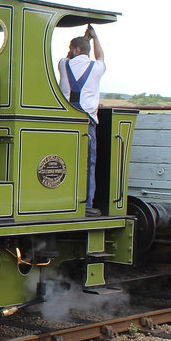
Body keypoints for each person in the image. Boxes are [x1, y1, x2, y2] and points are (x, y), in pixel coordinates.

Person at [58, 24, 105, 216]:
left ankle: (61, 199)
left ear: (75, 50)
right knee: (88, 164)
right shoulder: (97, 68)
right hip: (87, 122)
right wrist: (94, 38)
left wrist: (83, 41)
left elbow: (68, 58)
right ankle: (86, 205)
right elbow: (100, 56)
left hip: (66, 121)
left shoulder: (63, 64)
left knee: (62, 162)